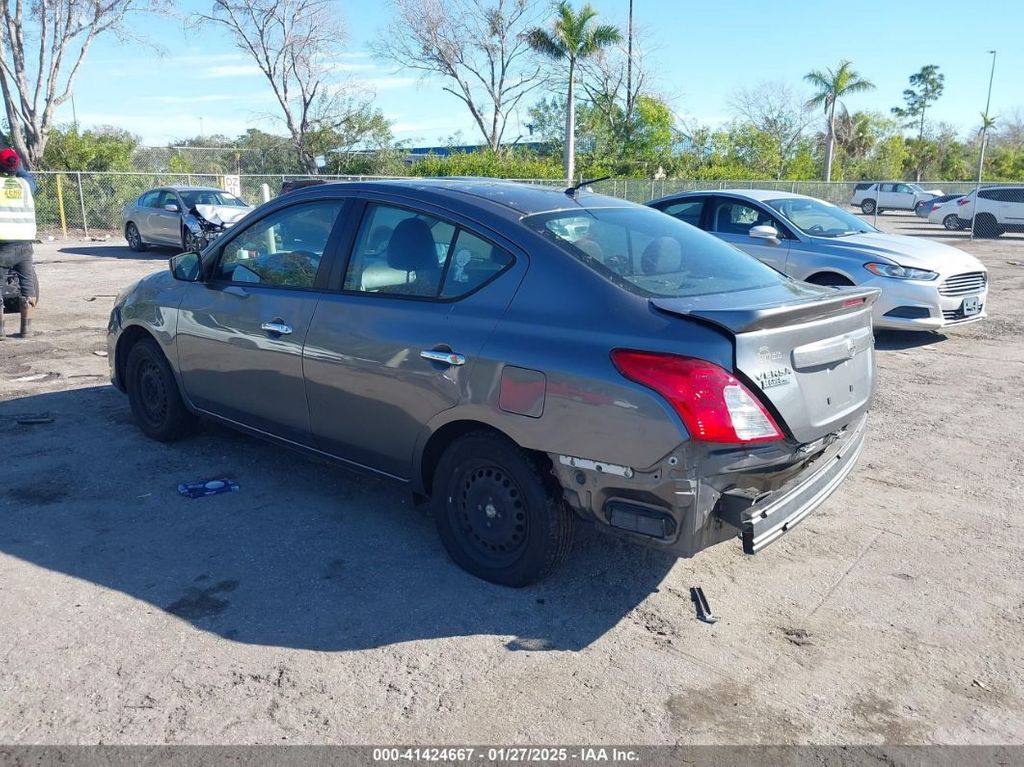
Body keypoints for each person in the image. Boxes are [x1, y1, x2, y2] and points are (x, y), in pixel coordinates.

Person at [0, 147, 38, 338]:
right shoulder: (26, 185)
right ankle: (26, 329)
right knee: (27, 287)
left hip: (2, 244)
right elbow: (25, 174)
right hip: (24, 243)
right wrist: (17, 164)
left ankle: (0, 330)